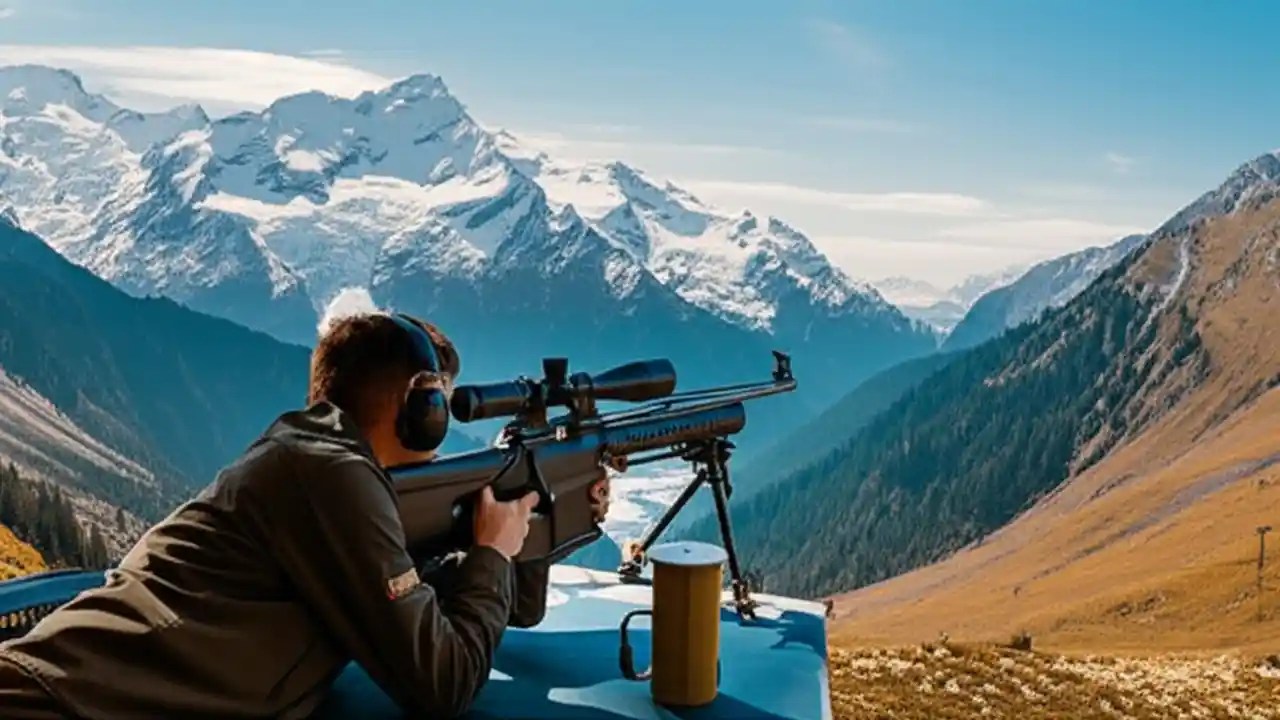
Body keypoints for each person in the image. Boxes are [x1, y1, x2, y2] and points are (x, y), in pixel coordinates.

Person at [0, 311, 611, 719]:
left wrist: (542, 506)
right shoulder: (330, 474)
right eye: (441, 403)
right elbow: (443, 683)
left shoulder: (322, 463)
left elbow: (510, 611)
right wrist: (490, 553)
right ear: (416, 404)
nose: (443, 426)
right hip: (53, 702)